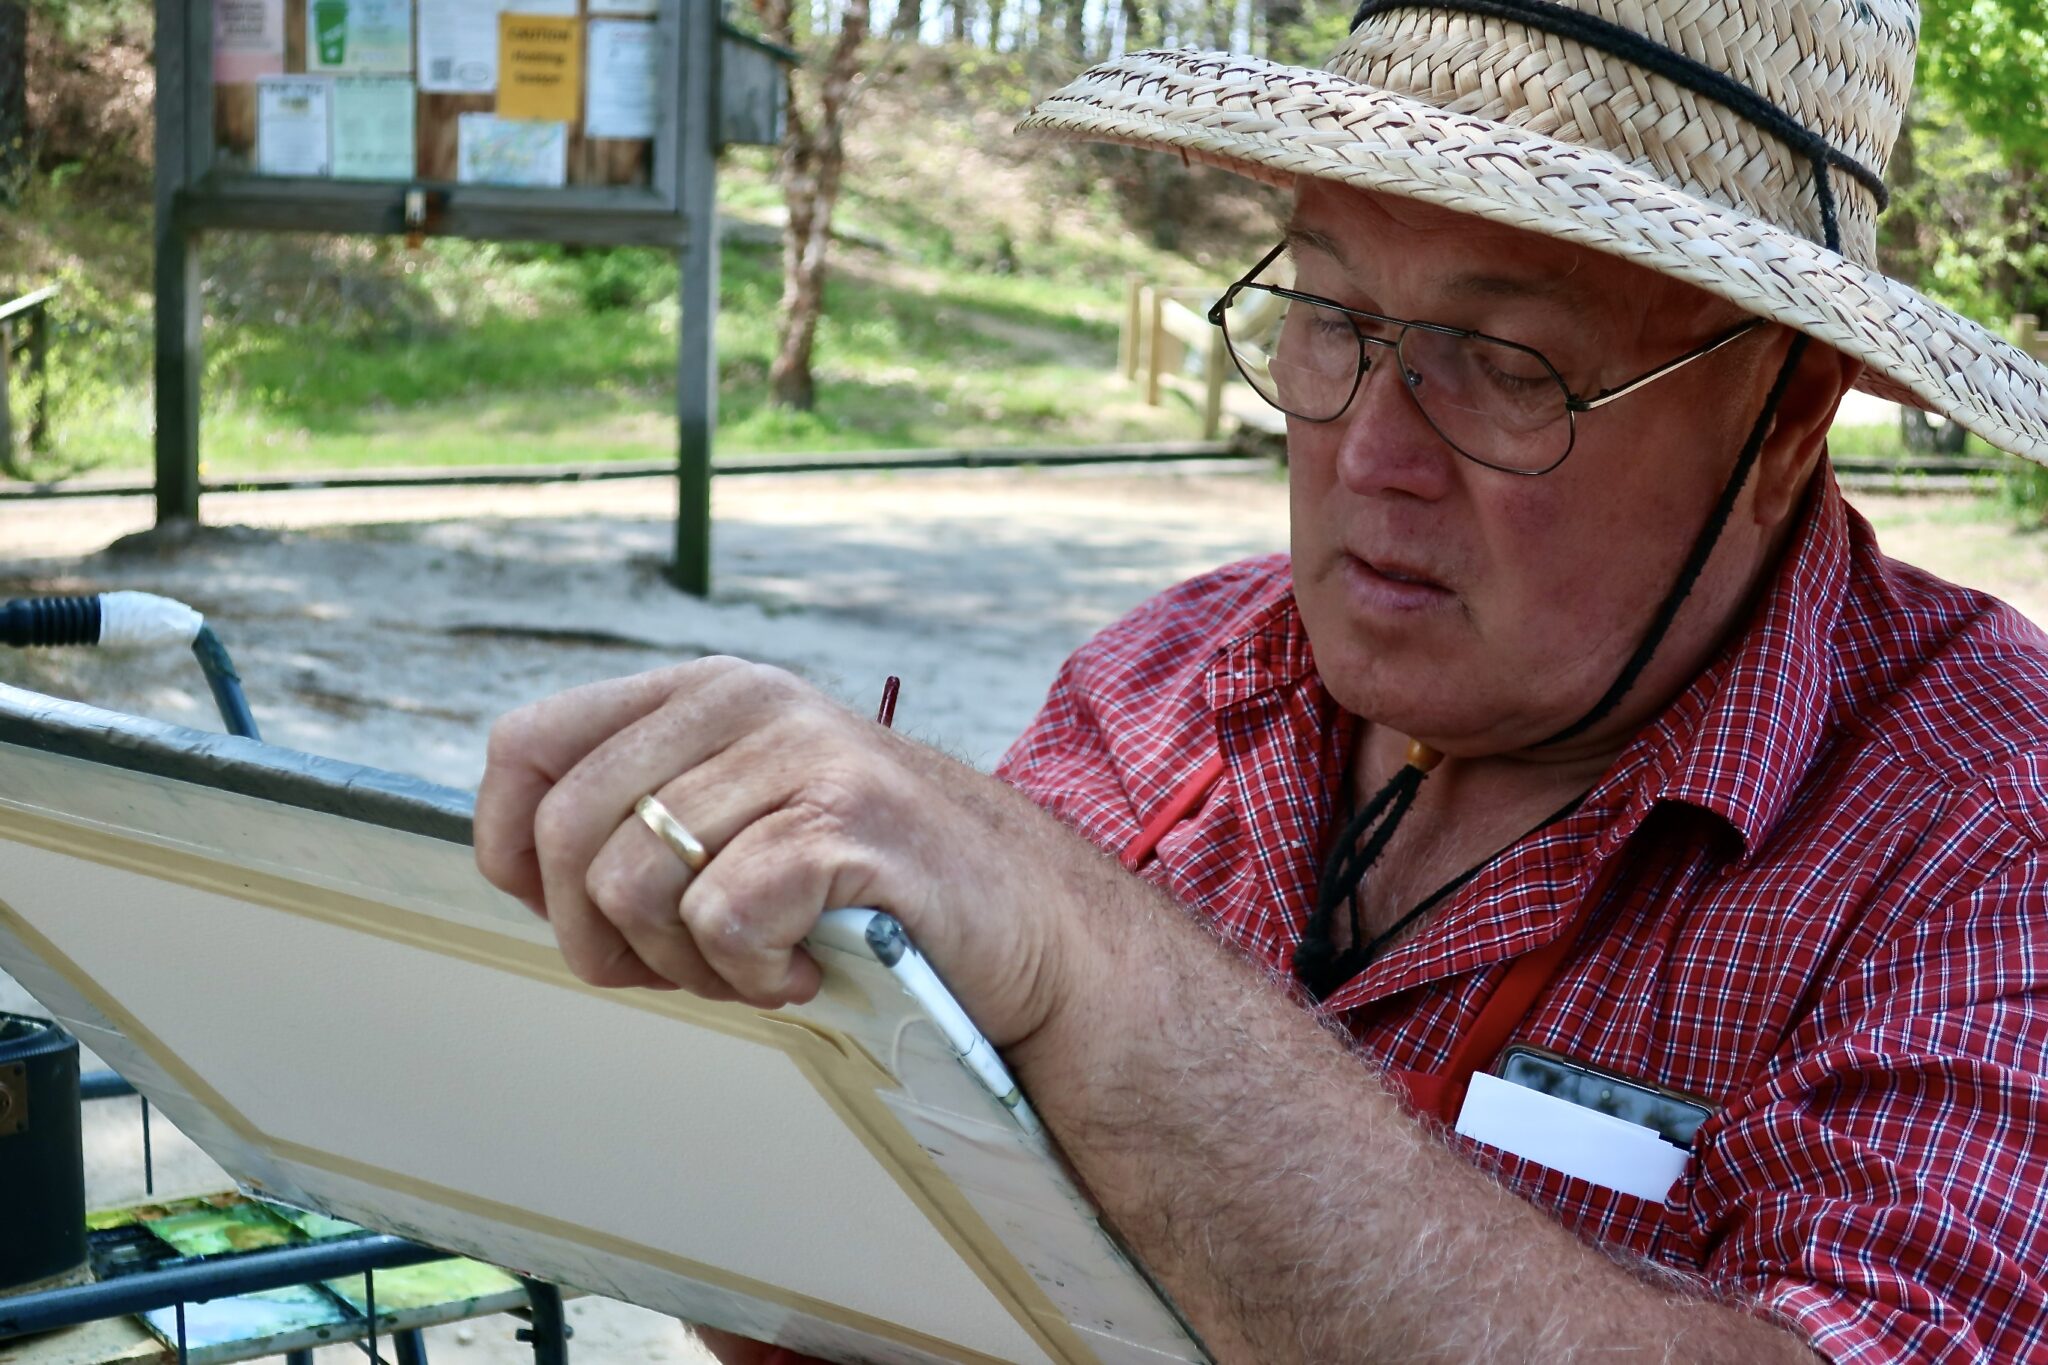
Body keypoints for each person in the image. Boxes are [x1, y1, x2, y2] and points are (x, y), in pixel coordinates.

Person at [472, 0, 2048, 1357]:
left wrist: (1093, 964)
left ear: (1786, 414)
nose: (1370, 451)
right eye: (1328, 317)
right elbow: (885, 1274)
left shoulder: (1986, 830)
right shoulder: (1168, 686)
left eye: (1509, 367)